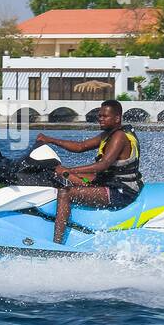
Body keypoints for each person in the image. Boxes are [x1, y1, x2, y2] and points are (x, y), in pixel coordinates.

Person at [35, 100, 143, 244]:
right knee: (59, 174)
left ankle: (57, 243)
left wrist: (70, 170)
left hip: (121, 191)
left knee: (65, 193)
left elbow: (102, 165)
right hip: (107, 182)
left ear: (117, 118)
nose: (100, 118)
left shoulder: (119, 137)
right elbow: (80, 146)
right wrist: (50, 140)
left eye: (105, 116)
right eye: (100, 116)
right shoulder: (107, 135)